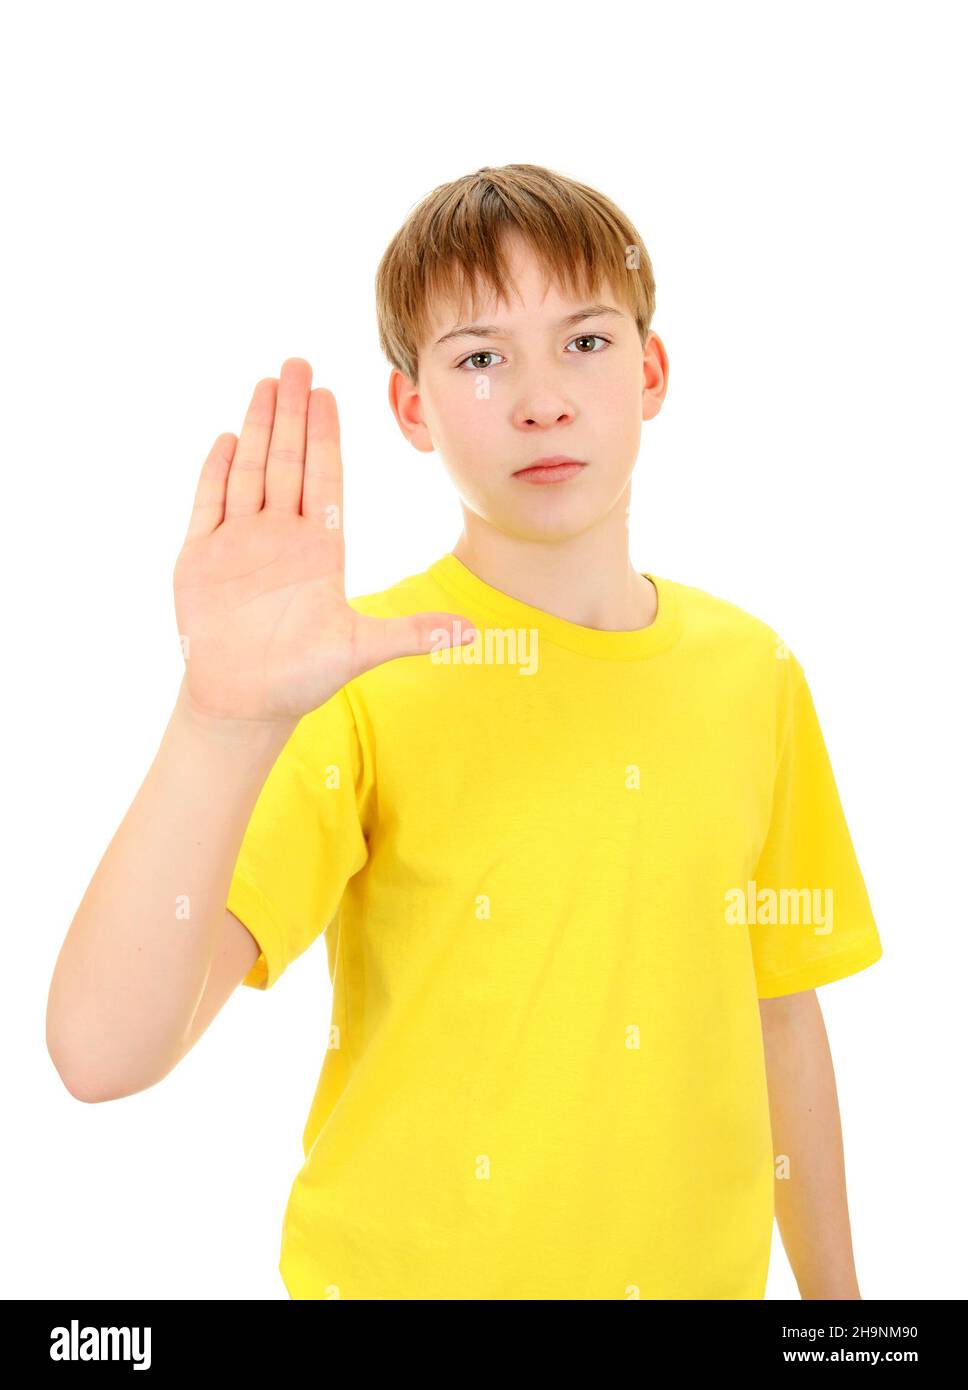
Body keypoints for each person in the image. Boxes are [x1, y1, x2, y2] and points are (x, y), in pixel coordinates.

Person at [48, 163, 883, 1300]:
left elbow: (780, 1010)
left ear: (649, 372)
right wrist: (216, 719)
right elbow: (102, 1053)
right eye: (480, 357)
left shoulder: (752, 669)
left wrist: (840, 1318)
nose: (539, 397)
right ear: (411, 407)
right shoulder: (349, 673)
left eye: (583, 342)